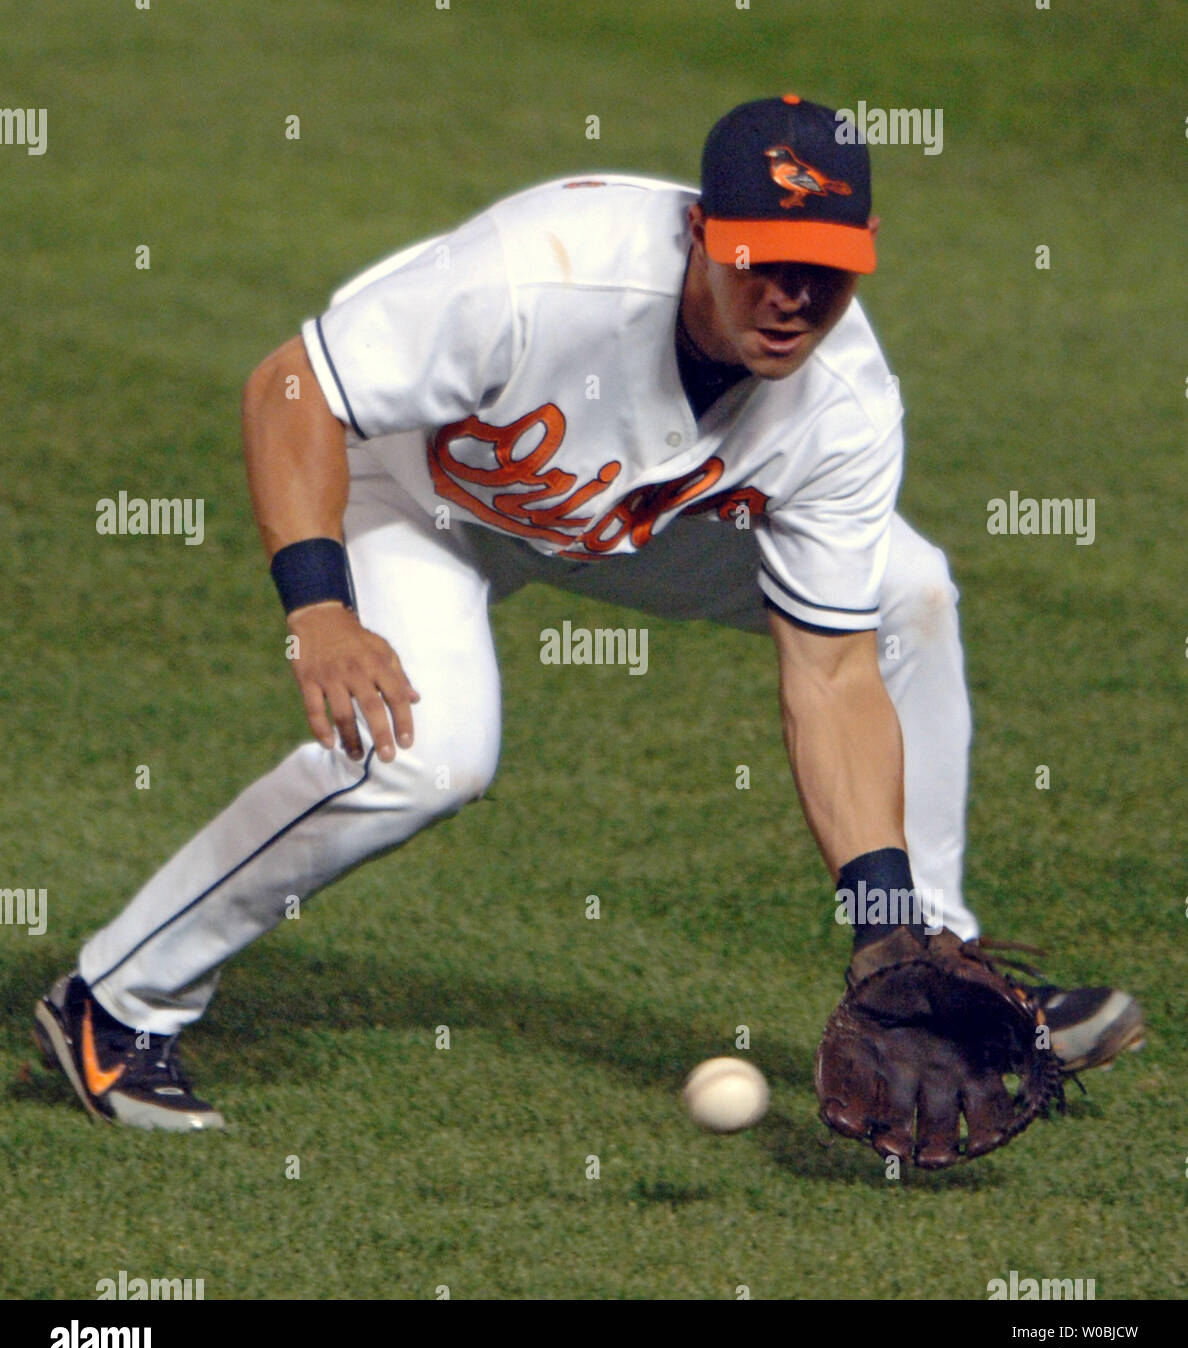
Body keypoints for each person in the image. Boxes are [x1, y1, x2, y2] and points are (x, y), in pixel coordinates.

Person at [34, 95, 1142, 1132]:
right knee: (428, 757)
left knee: (906, 596)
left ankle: (933, 967)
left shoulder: (844, 403)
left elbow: (833, 672)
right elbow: (291, 387)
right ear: (701, 230)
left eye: (825, 269)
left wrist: (876, 910)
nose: (791, 297)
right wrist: (321, 610)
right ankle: (117, 997)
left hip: (624, 515)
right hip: (416, 494)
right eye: (761, 262)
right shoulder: (544, 275)